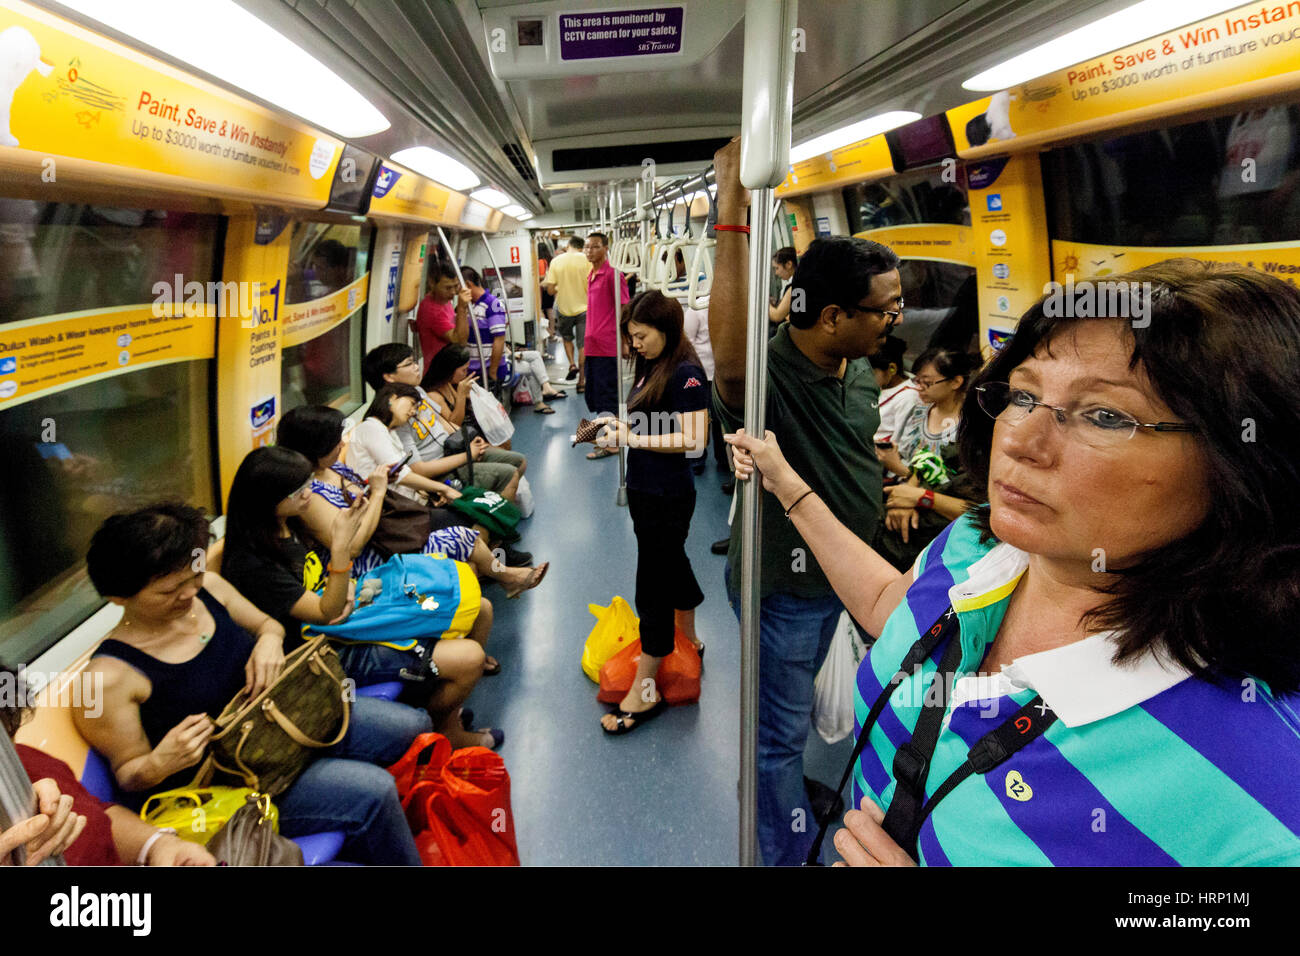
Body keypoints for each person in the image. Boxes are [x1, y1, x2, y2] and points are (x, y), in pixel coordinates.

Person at [728, 259, 1300, 866]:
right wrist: (786, 485)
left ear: (1245, 464)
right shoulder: (979, 548)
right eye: (1024, 395)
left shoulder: (1263, 785)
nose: (1021, 439)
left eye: (1105, 415)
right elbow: (888, 608)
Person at [708, 137, 900, 865]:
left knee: (800, 716)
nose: (894, 320)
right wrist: (734, 203)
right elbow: (728, 359)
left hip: (848, 578)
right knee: (777, 738)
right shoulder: (769, 379)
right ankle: (783, 853)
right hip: (788, 588)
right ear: (829, 316)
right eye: (883, 309)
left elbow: (851, 446)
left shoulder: (856, 368)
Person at [73, 502, 430, 865]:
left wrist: (269, 642)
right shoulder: (106, 679)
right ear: (118, 597)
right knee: (374, 791)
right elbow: (129, 776)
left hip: (287, 718)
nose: (188, 593)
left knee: (413, 725)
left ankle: (403, 826)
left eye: (191, 577)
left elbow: (267, 625)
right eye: (169, 591)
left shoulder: (209, 589)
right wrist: (159, 763)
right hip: (242, 782)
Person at [219, 450, 503, 752]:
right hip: (325, 649)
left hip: (350, 617)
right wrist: (341, 551)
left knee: (478, 609)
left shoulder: (289, 524)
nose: (308, 494)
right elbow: (324, 612)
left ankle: (445, 712)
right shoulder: (252, 563)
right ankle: (443, 732)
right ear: (268, 499)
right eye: (298, 490)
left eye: (308, 483)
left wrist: (348, 587)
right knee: (470, 657)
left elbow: (327, 586)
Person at [276, 403, 547, 610]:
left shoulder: (333, 467)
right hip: (367, 562)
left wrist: (375, 488)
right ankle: (503, 580)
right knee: (463, 536)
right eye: (335, 441)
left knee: (468, 535)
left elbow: (361, 501)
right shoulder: (308, 494)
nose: (342, 444)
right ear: (315, 446)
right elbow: (352, 546)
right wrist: (379, 493)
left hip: (386, 533)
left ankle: (505, 577)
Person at [592, 291, 709, 734]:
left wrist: (632, 440)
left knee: (652, 584)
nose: (634, 344)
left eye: (641, 336)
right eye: (631, 336)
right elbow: (650, 423)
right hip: (646, 489)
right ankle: (692, 639)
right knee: (671, 562)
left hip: (667, 494)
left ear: (666, 329)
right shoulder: (652, 367)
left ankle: (646, 685)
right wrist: (621, 431)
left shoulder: (686, 373)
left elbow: (693, 439)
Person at [3, 666, 215, 866]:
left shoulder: (20, 762)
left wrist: (158, 845)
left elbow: (94, 815)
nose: (12, 759)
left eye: (9, 739)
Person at [876, 347, 981, 569]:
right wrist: (903, 497)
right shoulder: (919, 411)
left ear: (955, 382)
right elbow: (919, 462)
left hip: (936, 520)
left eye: (927, 383)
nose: (919, 389)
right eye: (918, 381)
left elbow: (950, 483)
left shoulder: (970, 432)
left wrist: (903, 476)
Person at [582, 232, 631, 449]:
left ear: (605, 249)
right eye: (587, 247)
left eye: (594, 247)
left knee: (607, 397)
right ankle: (606, 435)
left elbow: (623, 308)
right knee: (593, 395)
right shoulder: (591, 275)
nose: (589, 251)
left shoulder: (613, 274)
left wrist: (625, 340)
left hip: (608, 346)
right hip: (592, 345)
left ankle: (612, 443)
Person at [543, 236, 590, 386]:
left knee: (568, 339)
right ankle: (582, 380)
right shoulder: (586, 259)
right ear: (581, 247)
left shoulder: (556, 261)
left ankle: (572, 364)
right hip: (585, 308)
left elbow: (550, 290)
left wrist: (560, 287)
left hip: (564, 308)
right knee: (582, 345)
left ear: (568, 245)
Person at [870, 334, 921, 470]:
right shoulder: (882, 387)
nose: (865, 378)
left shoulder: (909, 396)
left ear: (892, 369)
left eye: (871, 373)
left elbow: (900, 445)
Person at [413, 263, 471, 376]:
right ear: (432, 283)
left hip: (449, 370)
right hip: (439, 374)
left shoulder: (443, 300)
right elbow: (460, 341)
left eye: (456, 286)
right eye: (448, 288)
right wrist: (462, 309)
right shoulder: (433, 310)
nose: (453, 292)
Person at [768, 246, 797, 330]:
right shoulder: (791, 285)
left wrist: (765, 303)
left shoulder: (794, 287)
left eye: (777, 268)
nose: (776, 273)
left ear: (788, 264)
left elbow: (777, 316)